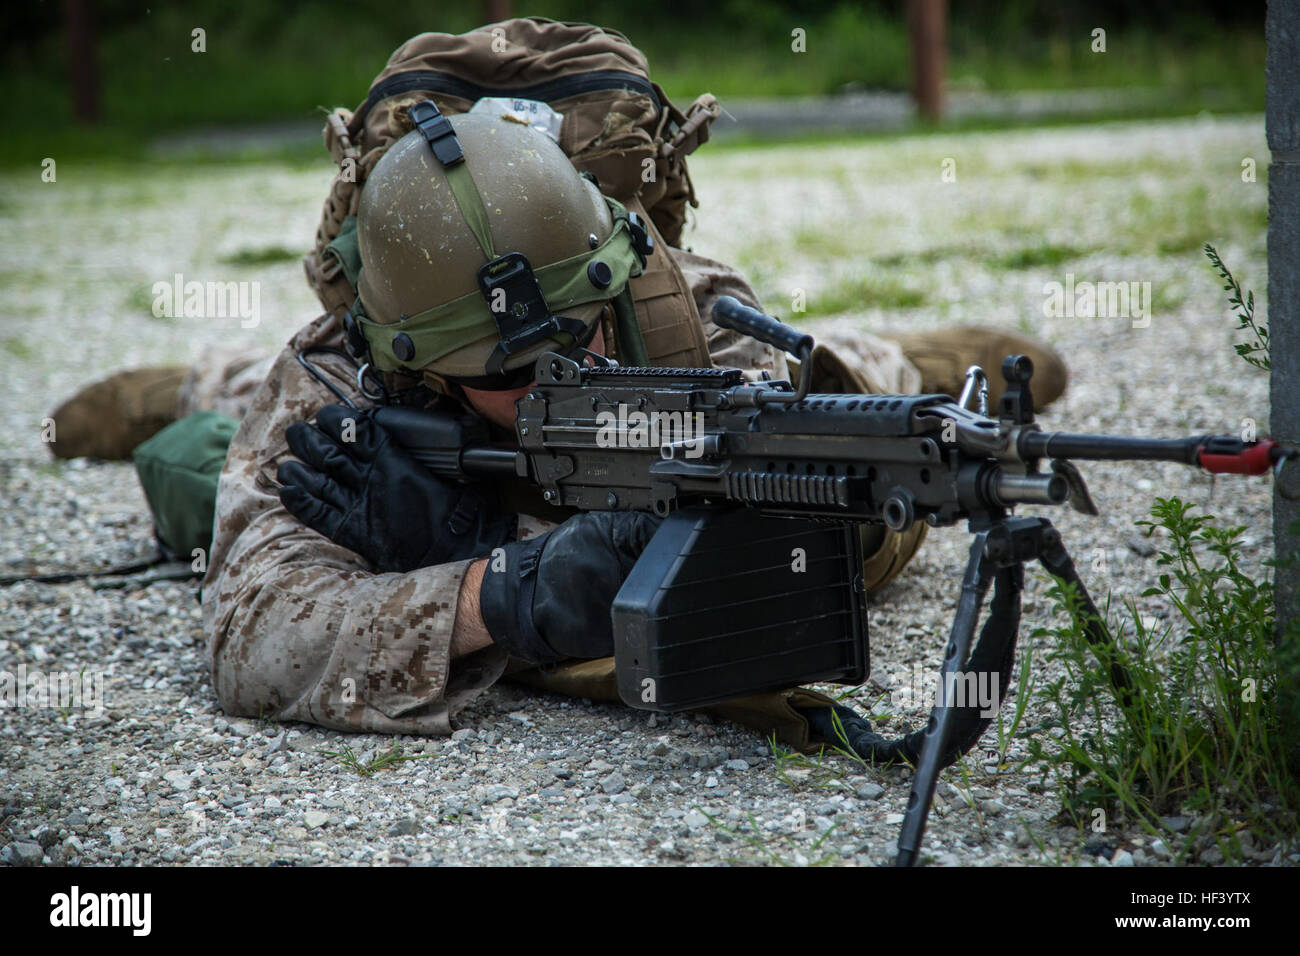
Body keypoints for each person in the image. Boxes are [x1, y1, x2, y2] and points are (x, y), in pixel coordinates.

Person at [50, 104, 1068, 749]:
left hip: (775, 349)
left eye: (578, 336)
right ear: (415, 367)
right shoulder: (329, 389)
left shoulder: (679, 313)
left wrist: (473, 559)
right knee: (219, 415)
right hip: (293, 385)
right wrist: (506, 587)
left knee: (871, 378)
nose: (568, 372)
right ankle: (188, 382)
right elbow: (252, 640)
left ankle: (913, 346)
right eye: (515, 374)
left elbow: (837, 541)